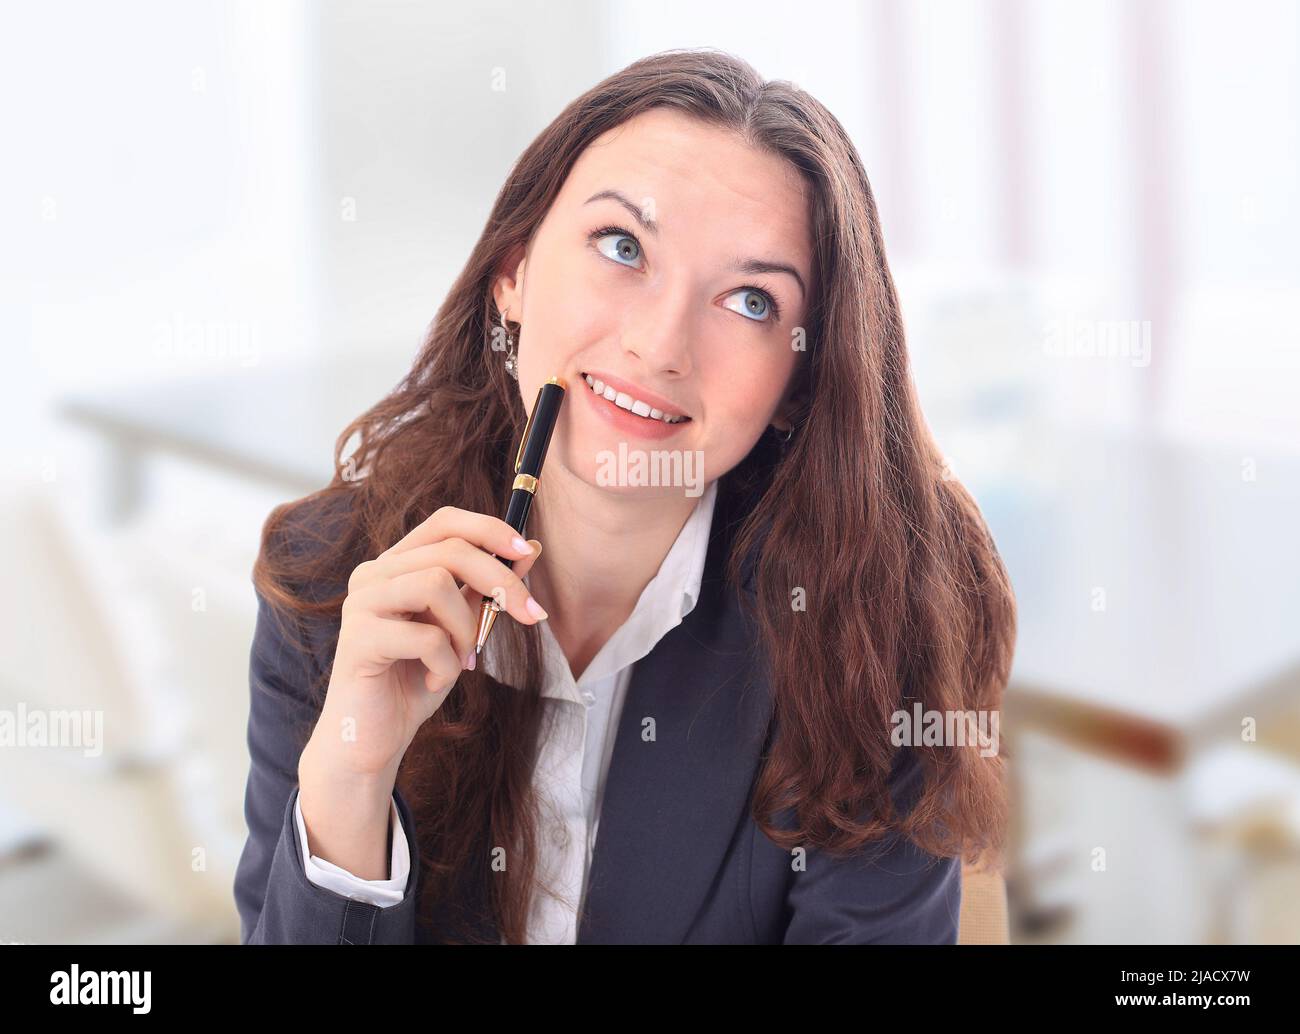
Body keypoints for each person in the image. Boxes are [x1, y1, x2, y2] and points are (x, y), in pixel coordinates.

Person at [234, 48, 1017, 944]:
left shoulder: (868, 630)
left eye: (751, 301)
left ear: (800, 381)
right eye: (622, 247)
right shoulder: (333, 584)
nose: (659, 345)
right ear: (513, 271)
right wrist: (352, 776)